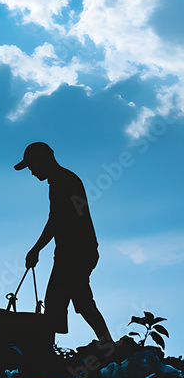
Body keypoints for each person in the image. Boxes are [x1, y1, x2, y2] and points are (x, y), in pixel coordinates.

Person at [15, 142, 112, 343]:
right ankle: (106, 345)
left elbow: (56, 221)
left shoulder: (63, 182)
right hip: (74, 253)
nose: (31, 172)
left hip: (76, 254)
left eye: (32, 166)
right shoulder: (63, 180)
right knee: (67, 302)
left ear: (45, 159)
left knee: (64, 302)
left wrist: (35, 250)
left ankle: (48, 353)